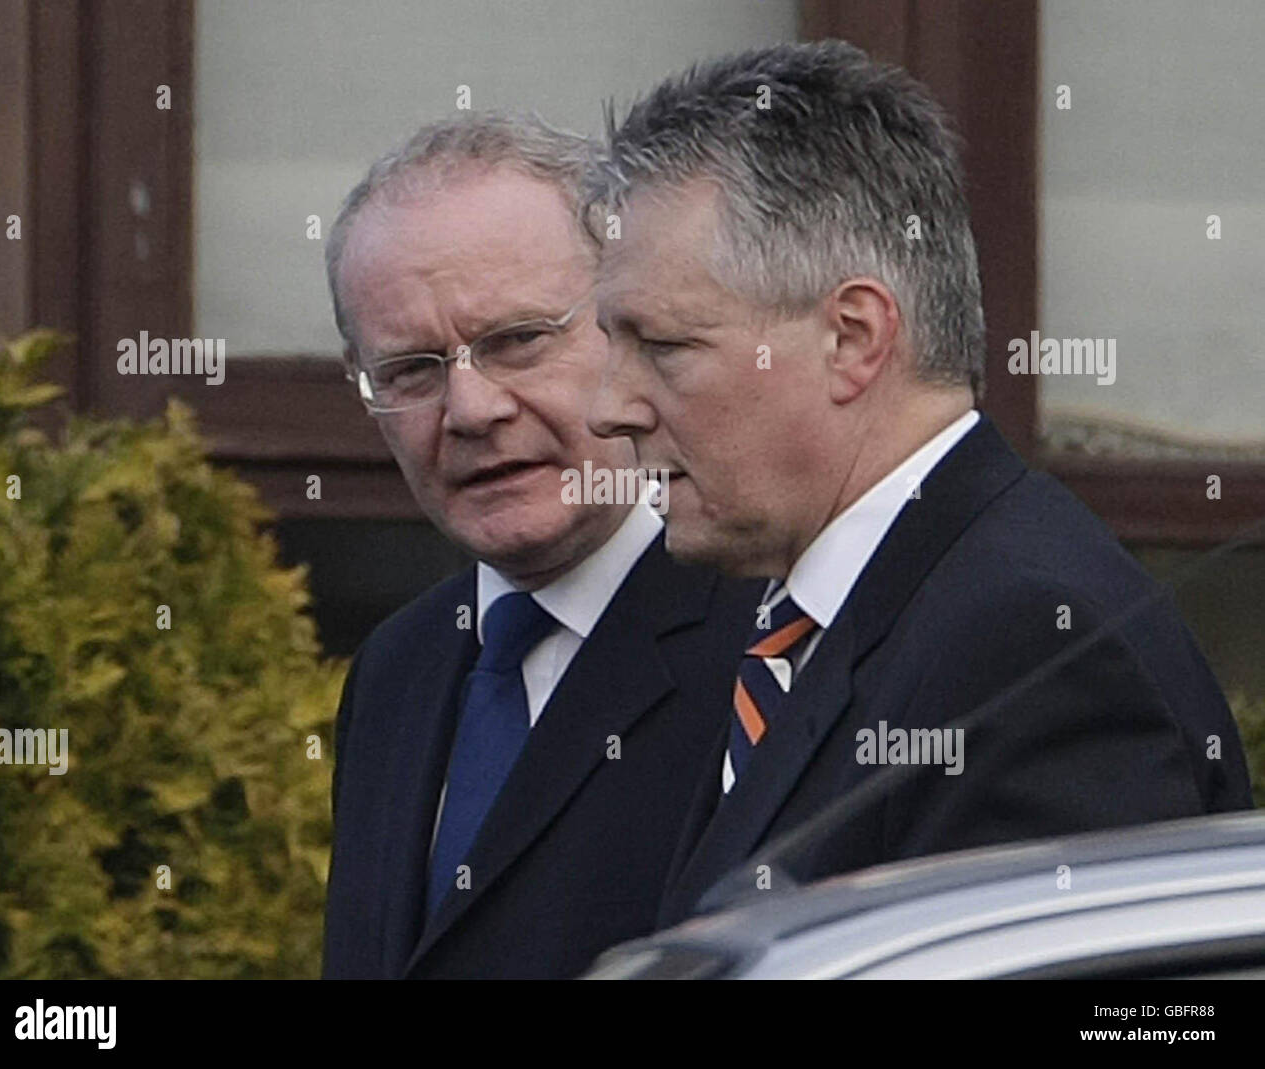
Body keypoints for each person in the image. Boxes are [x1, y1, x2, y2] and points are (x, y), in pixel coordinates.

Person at [583, 40, 1254, 929]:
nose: (608, 408)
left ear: (855, 338)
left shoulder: (1031, 647)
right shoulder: (811, 610)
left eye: (664, 347)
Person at [319, 114, 759, 978]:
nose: (472, 408)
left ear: (628, 324)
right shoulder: (395, 670)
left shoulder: (773, 645)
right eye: (412, 369)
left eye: (518, 341)